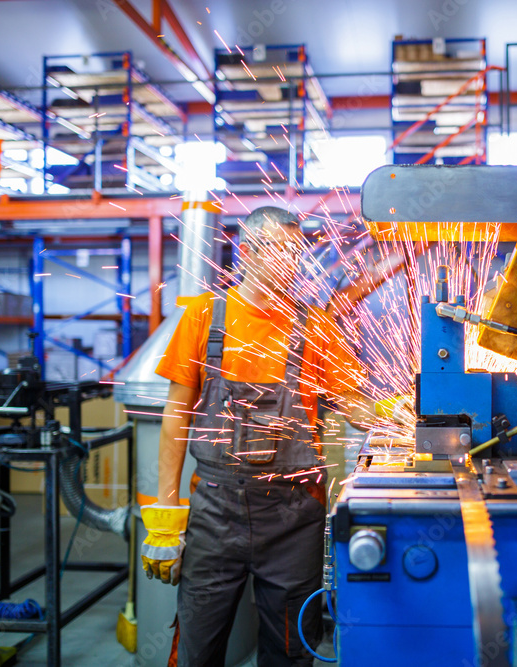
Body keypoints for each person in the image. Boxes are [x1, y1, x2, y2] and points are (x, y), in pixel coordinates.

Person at [141, 206, 373, 666]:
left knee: (289, 649)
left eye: (298, 255)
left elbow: (355, 405)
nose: (291, 266)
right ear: (247, 252)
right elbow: (176, 415)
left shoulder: (318, 326)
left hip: (294, 517)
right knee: (196, 646)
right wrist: (166, 511)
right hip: (215, 511)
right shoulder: (205, 318)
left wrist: (398, 415)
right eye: (281, 253)